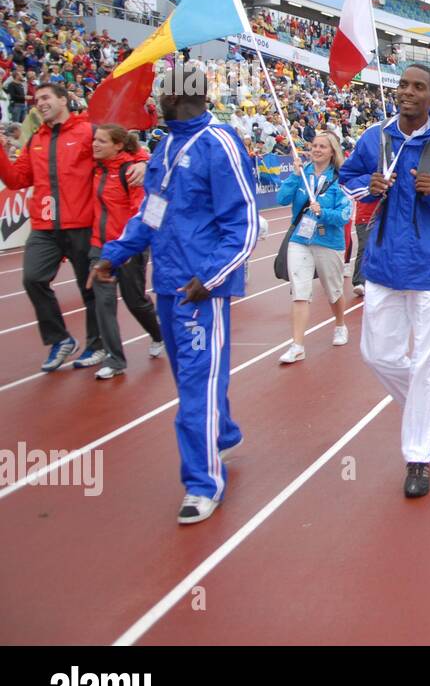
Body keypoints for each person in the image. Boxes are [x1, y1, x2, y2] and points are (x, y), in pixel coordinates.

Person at [92, 62, 259, 524]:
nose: (153, 98)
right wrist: (115, 254)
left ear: (177, 96)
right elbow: (151, 212)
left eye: (160, 90)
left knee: (194, 388)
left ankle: (203, 483)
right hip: (167, 284)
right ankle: (222, 433)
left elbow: (243, 224)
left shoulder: (219, 144)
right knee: (194, 378)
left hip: (200, 291)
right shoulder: (167, 146)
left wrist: (210, 277)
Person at [339, 64, 430, 498]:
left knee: (426, 362)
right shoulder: (376, 138)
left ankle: (418, 456)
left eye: (417, 87)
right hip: (384, 264)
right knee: (376, 353)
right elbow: (346, 180)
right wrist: (368, 187)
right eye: (403, 85)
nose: (407, 92)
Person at [0, 82, 145, 372]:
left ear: (64, 100)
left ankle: (96, 345)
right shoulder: (35, 140)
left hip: (81, 224)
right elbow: (17, 180)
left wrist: (143, 160)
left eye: (46, 97)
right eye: (36, 98)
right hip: (44, 226)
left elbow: (123, 145)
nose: (39, 102)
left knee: (88, 289)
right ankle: (60, 338)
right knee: (32, 278)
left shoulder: (87, 131)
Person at [85, 124, 164, 379]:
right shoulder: (95, 168)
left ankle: (158, 334)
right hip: (100, 246)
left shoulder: (131, 173)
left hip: (129, 247)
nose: (94, 144)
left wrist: (142, 158)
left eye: (101, 141)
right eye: (94, 140)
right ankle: (115, 359)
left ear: (118, 145)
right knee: (103, 303)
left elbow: (139, 213)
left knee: (135, 301)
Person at [276, 132, 351, 364]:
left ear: (332, 151)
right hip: (300, 239)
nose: (316, 149)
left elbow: (344, 215)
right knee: (300, 292)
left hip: (328, 241)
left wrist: (323, 213)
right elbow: (281, 199)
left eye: (322, 146)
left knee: (334, 290)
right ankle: (297, 345)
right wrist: (294, 175)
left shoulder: (341, 179)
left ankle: (340, 324)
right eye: (314, 145)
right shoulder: (303, 173)